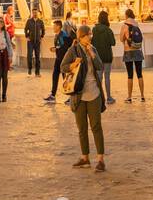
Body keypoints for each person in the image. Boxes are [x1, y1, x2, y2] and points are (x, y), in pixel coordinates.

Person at [61, 25, 107, 171]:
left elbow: (100, 67)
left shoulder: (93, 49)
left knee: (96, 127)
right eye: (88, 35)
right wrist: (73, 65)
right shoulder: (73, 50)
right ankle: (85, 157)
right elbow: (63, 66)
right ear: (81, 37)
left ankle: (100, 159)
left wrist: (93, 55)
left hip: (94, 93)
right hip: (79, 94)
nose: (90, 37)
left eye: (90, 35)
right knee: (82, 128)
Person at [120, 8, 145, 102]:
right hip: (138, 50)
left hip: (128, 51)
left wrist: (125, 40)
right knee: (140, 74)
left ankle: (129, 97)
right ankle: (142, 96)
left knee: (130, 75)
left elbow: (121, 39)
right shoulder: (136, 23)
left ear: (126, 15)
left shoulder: (124, 25)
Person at [91, 10, 116, 103]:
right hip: (107, 56)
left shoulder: (94, 29)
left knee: (99, 77)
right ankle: (109, 97)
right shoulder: (108, 30)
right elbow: (113, 43)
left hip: (97, 57)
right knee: (107, 77)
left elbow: (91, 42)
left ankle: (99, 97)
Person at [44, 19, 70, 103]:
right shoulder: (57, 35)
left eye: (54, 26)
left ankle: (71, 95)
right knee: (55, 75)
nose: (53, 27)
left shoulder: (63, 35)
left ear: (59, 26)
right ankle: (52, 95)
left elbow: (65, 48)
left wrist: (56, 49)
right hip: (58, 58)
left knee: (65, 78)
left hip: (64, 59)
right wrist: (55, 49)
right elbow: (59, 47)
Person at [0, 17, 14, 102]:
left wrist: (10, 56)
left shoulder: (6, 33)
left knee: (5, 76)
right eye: (0, 22)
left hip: (5, 54)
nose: (1, 23)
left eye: (2, 22)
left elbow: (9, 45)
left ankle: (4, 95)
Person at [24, 6, 45, 77]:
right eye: (33, 12)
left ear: (38, 13)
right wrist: (27, 36)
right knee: (29, 56)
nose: (35, 14)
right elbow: (25, 29)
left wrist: (41, 37)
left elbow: (43, 30)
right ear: (32, 13)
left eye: (36, 12)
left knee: (37, 57)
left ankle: (37, 72)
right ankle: (29, 69)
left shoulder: (40, 21)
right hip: (30, 42)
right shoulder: (29, 21)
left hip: (37, 41)